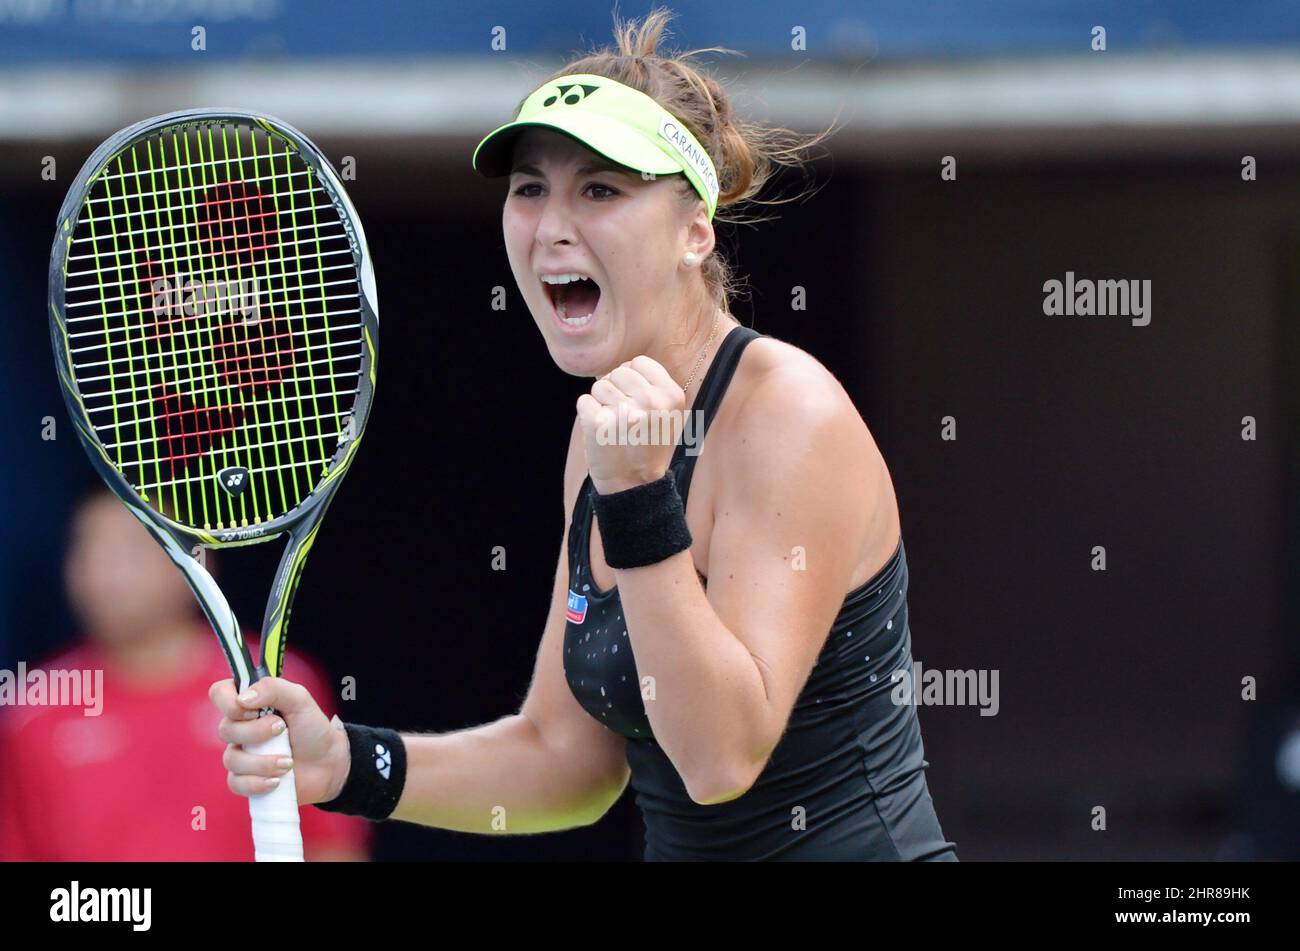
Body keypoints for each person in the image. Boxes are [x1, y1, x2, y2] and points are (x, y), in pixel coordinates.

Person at [211, 7, 958, 861]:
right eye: (531, 188)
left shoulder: (788, 415)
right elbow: (566, 762)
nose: (551, 224)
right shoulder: (607, 438)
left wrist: (641, 498)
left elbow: (721, 756)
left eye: (600, 189)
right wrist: (348, 762)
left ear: (694, 232)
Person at [0, 489, 370, 861]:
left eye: (132, 550)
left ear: (199, 561)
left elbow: (333, 844)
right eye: (90, 549)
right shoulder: (31, 707)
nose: (108, 575)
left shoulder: (280, 686)